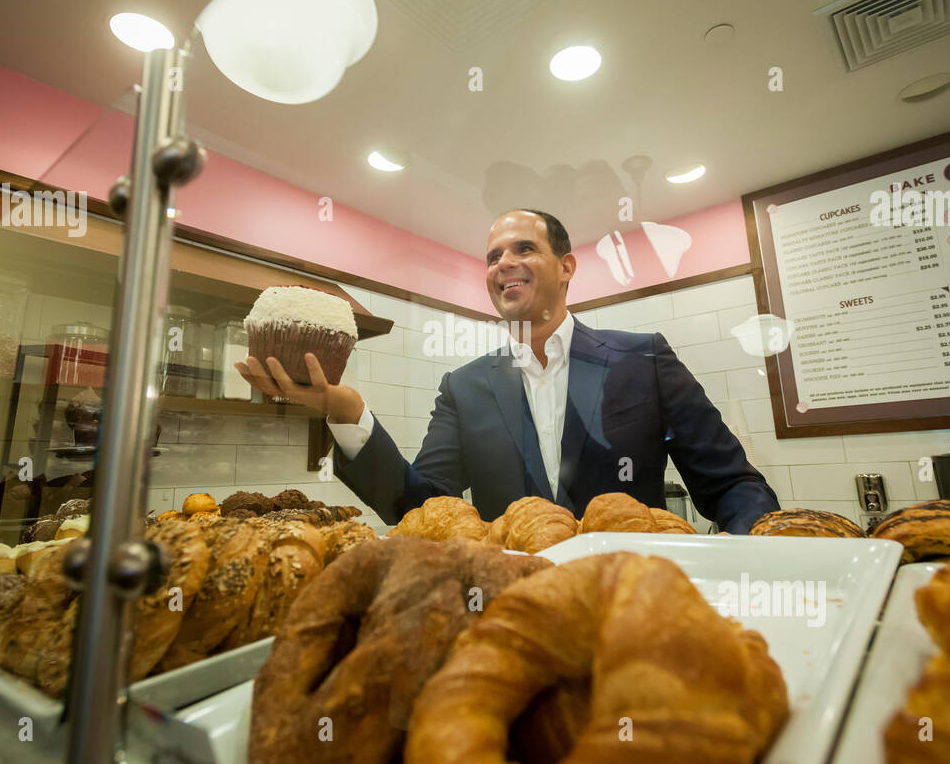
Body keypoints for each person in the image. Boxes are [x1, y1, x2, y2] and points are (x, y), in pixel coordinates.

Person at [235, 209, 779, 533]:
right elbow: (421, 507)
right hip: (507, 605)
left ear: (567, 266)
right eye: (493, 256)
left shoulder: (645, 359)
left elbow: (730, 483)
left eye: (524, 248)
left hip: (635, 603)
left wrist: (750, 559)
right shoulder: (465, 387)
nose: (503, 264)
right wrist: (348, 413)